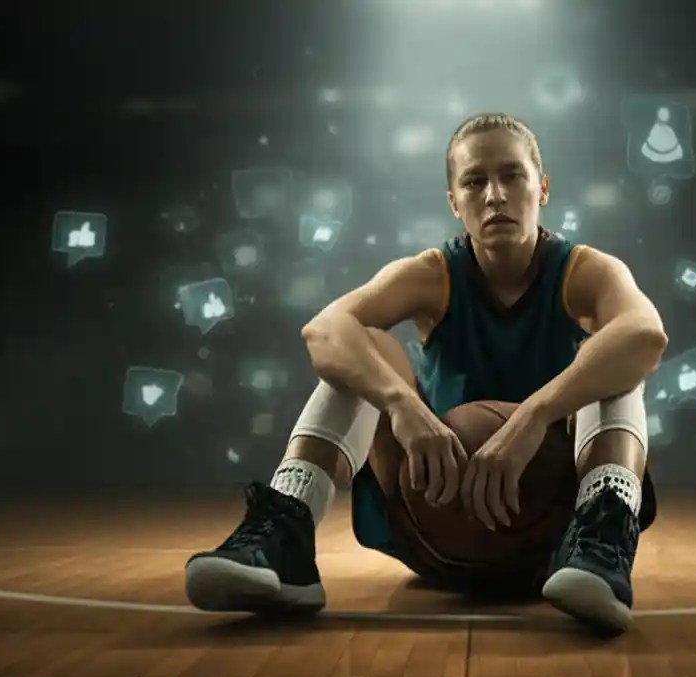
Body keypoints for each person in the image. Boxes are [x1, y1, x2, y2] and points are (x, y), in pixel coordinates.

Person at [185, 112, 668, 633]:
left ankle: (604, 532)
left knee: (614, 350)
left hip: (554, 544)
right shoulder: (433, 274)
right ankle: (285, 532)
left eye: (512, 176)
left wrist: (533, 416)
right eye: (475, 181)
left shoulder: (584, 271)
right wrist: (402, 403)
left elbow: (646, 335)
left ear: (542, 188)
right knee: (361, 345)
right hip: (435, 522)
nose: (495, 195)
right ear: (454, 202)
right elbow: (323, 331)